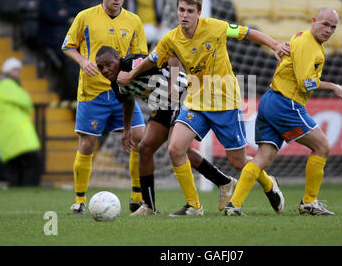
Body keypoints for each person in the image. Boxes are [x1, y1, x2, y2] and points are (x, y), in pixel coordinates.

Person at [117, 0, 290, 216]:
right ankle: (194, 206)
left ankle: (268, 183)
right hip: (195, 100)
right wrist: (131, 76)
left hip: (225, 101)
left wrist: (275, 44)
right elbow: (152, 58)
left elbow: (247, 33)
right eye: (182, 10)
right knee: (175, 147)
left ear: (199, 13)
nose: (185, 15)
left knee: (238, 161)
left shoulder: (215, 27)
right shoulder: (171, 38)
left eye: (190, 11)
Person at [224, 8, 342, 216]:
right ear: (314, 21)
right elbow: (304, 84)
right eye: (325, 24)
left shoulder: (301, 37)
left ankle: (233, 205)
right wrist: (332, 86)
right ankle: (309, 202)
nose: (328, 30)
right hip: (286, 104)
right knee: (322, 146)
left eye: (333, 27)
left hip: (270, 100)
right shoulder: (309, 45)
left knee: (262, 158)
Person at [96, 46, 237, 215]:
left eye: (108, 64)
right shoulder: (115, 82)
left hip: (182, 93)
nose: (105, 70)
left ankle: (197, 204)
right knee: (145, 148)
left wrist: (171, 87)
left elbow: (172, 57)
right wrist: (127, 129)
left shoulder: (133, 63)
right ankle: (149, 207)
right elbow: (127, 101)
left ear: (118, 59)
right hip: (163, 104)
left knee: (175, 147)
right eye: (100, 67)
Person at [62, 0, 148, 214]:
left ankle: (136, 197)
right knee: (87, 144)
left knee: (139, 138)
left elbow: (140, 58)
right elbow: (68, 45)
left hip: (123, 92)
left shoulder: (134, 21)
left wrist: (131, 75)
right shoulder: (85, 17)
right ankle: (79, 200)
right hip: (92, 92)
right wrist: (82, 60)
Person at [0, 58, 41, 187]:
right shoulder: (7, 84)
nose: (17, 73)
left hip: (8, 136)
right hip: (18, 134)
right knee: (33, 164)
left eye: (18, 70)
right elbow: (25, 100)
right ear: (6, 71)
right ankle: (29, 190)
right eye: (14, 69)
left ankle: (18, 190)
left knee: (15, 169)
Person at [38, 0, 84, 100]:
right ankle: (74, 99)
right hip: (54, 43)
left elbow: (82, 12)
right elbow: (52, 16)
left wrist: (64, 14)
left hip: (76, 42)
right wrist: (69, 17)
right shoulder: (45, 1)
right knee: (71, 63)